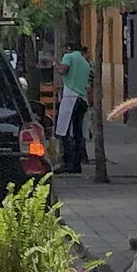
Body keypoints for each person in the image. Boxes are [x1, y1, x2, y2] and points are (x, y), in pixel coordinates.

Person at [57, 37, 92, 173]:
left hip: (70, 97)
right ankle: (77, 164)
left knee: (63, 131)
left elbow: (63, 70)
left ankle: (67, 162)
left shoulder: (68, 56)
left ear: (68, 49)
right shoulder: (85, 62)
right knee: (78, 132)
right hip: (82, 99)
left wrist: (56, 65)